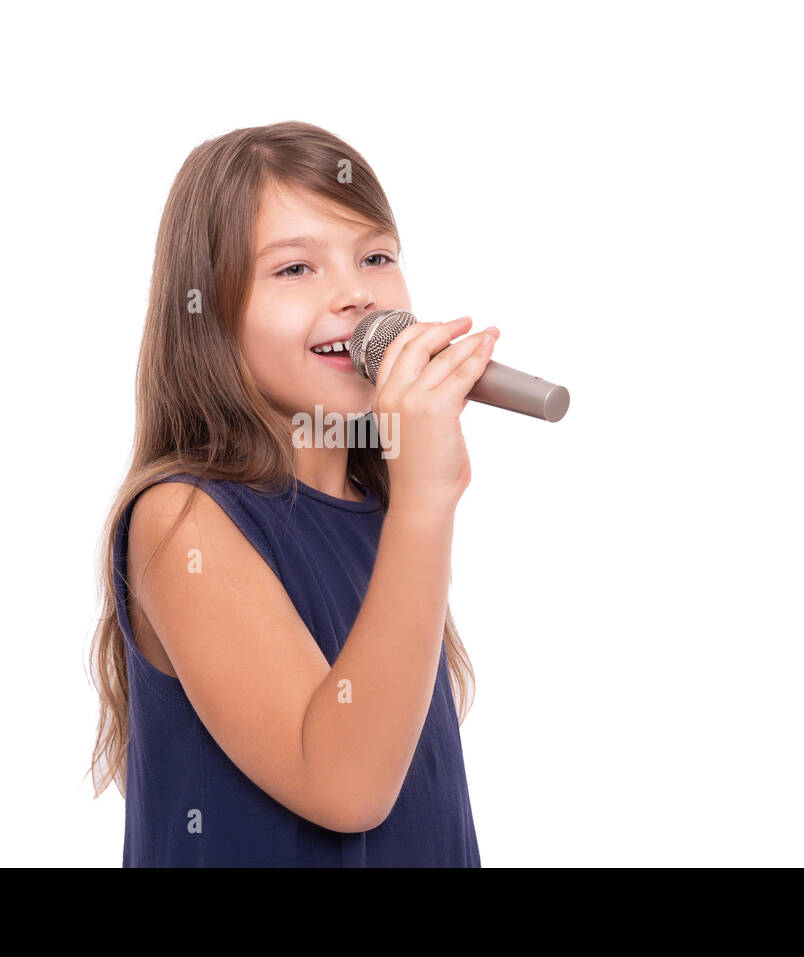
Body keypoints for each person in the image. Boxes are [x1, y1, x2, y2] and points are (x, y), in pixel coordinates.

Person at [87, 121, 500, 866]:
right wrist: (425, 505)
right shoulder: (183, 522)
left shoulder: (384, 514)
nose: (354, 293)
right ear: (207, 311)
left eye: (375, 257)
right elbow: (346, 785)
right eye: (294, 269)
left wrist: (414, 504)